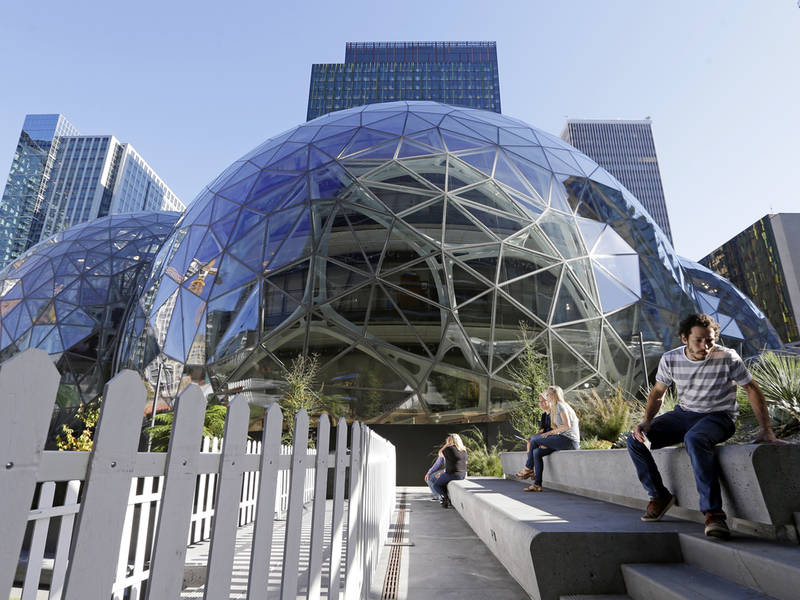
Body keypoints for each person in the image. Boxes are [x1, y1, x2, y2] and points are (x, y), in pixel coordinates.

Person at [627, 313, 783, 539]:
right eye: (699, 340)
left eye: (710, 339)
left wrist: (766, 429)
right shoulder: (670, 359)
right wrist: (646, 422)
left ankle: (714, 515)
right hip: (684, 415)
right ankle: (659, 496)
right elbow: (658, 394)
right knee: (635, 440)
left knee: (695, 438)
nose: (706, 345)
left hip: (719, 416)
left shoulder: (727, 357)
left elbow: (752, 389)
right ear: (684, 339)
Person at [515, 385, 580, 492]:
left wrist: (550, 433)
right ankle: (537, 485)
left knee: (534, 440)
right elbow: (558, 426)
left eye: (548, 394)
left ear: (554, 395)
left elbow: (567, 426)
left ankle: (528, 468)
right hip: (562, 439)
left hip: (569, 441)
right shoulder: (557, 407)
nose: (547, 396)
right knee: (537, 452)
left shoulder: (561, 406)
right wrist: (548, 438)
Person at [432, 433, 468, 508]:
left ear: (451, 441)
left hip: (452, 474)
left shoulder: (449, 449)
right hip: (462, 475)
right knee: (443, 481)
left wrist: (446, 445)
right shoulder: (464, 450)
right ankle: (446, 499)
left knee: (436, 485)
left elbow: (440, 454)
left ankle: (446, 499)